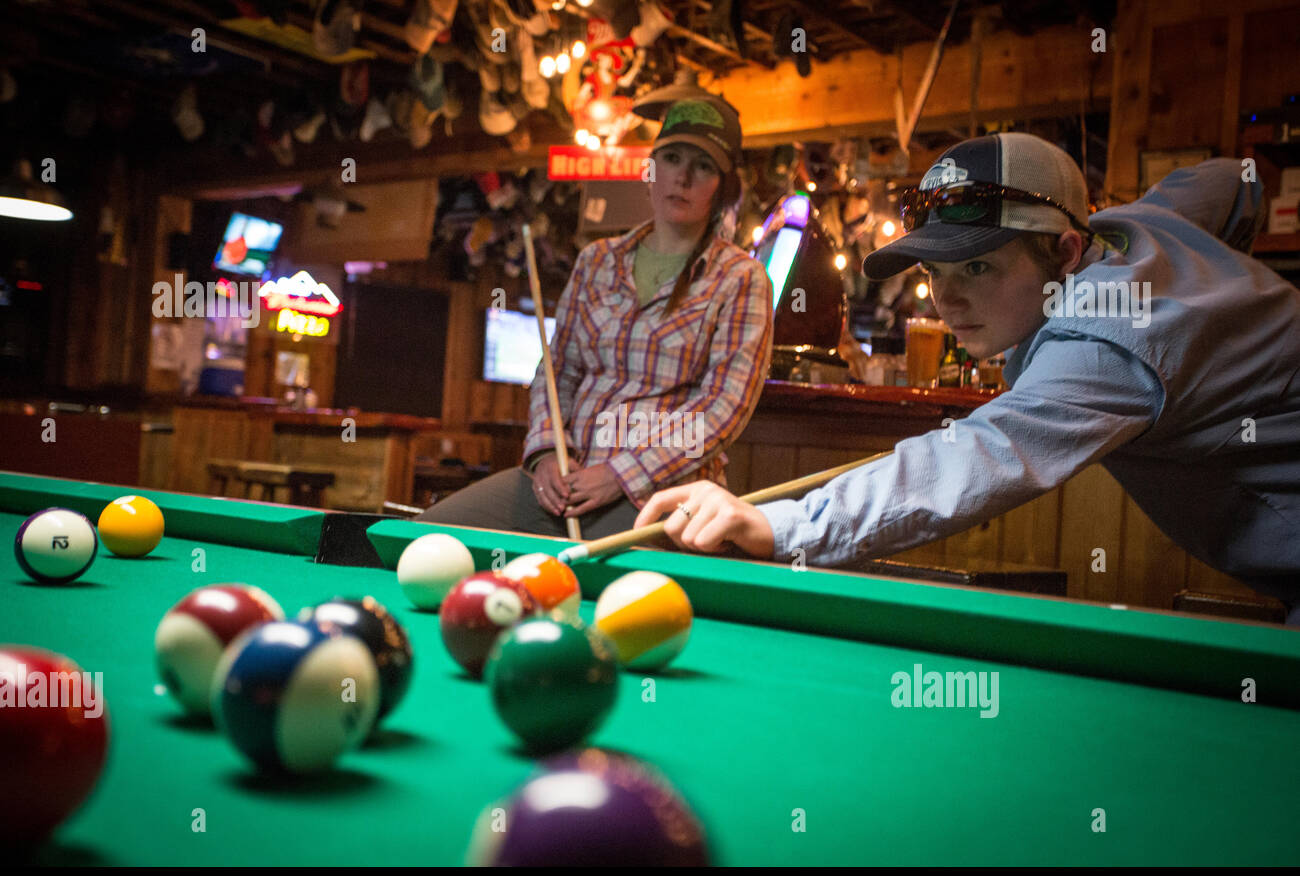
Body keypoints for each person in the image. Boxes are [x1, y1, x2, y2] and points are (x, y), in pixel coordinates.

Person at [636, 131, 1300, 626]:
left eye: (978, 268)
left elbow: (971, 461)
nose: (946, 302)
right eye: (934, 271)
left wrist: (779, 527)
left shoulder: (1107, 342)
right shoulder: (1135, 228)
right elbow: (1230, 183)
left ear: (1065, 252)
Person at [418, 97, 773, 536]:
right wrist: (546, 452)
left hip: (661, 495)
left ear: (722, 186)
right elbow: (558, 370)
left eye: (702, 166)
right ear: (650, 169)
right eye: (672, 158)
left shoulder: (741, 277)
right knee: (425, 536)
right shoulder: (596, 261)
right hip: (564, 480)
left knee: (591, 577)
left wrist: (619, 474)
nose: (682, 176)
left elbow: (722, 409)